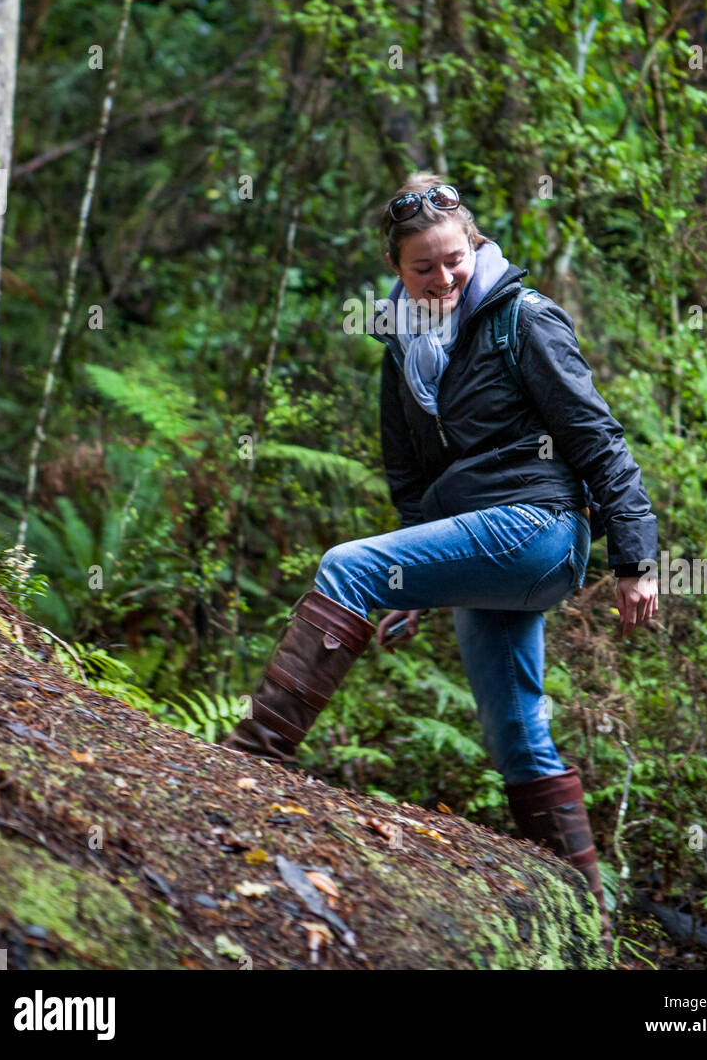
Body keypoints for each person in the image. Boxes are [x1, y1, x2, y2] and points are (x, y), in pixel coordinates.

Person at [222, 173, 659, 952]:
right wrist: (418, 579)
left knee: (346, 566)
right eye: (423, 268)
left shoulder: (523, 320)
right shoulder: (402, 347)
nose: (443, 278)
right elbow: (412, 480)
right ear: (397, 270)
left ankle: (246, 761)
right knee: (514, 731)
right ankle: (590, 924)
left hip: (539, 528)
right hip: (482, 543)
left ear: (476, 246)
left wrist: (637, 558)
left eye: (454, 259)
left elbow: (598, 438)